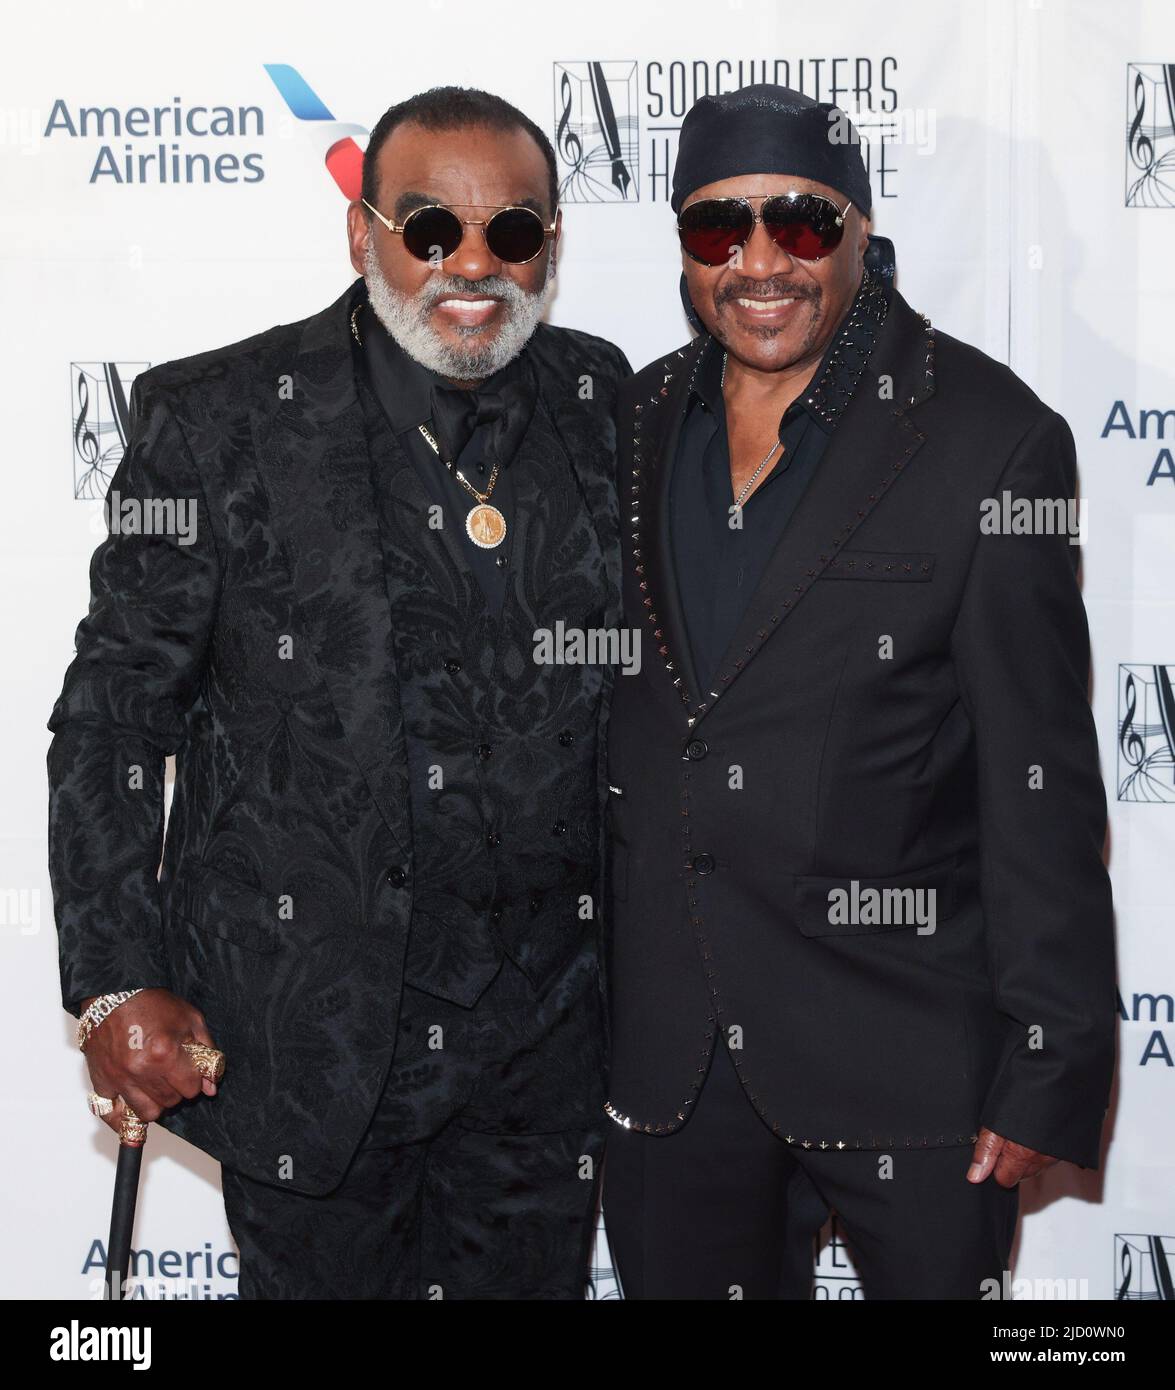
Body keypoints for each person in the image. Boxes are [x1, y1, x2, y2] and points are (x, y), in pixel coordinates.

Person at [48, 85, 630, 1300]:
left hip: (541, 1054)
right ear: (360, 233)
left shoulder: (598, 399)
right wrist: (112, 975)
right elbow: (114, 713)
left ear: (552, 244)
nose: (470, 266)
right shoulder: (216, 421)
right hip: (307, 1035)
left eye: (510, 232)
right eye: (428, 229)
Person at [601, 84, 1116, 1300]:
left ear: (859, 229)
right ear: (683, 245)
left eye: (800, 223)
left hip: (909, 1053)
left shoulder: (989, 437)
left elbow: (1036, 776)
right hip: (673, 1067)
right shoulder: (629, 423)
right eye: (718, 230)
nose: (761, 262)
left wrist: (1050, 1060)